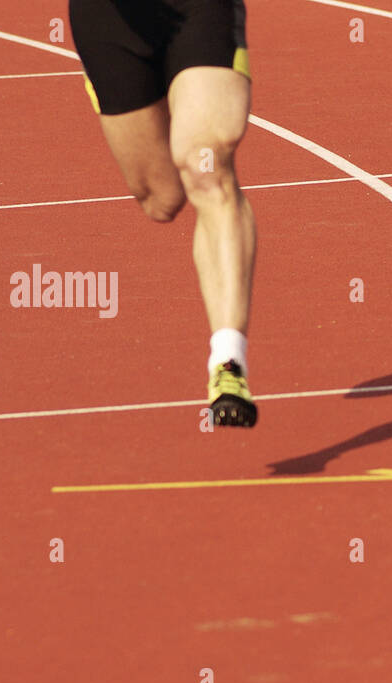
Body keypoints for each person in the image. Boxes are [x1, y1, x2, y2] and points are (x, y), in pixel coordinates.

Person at [69, 0, 258, 427]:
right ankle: (159, 93)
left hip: (198, 9)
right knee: (161, 199)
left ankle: (229, 363)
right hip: (109, 18)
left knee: (205, 167)